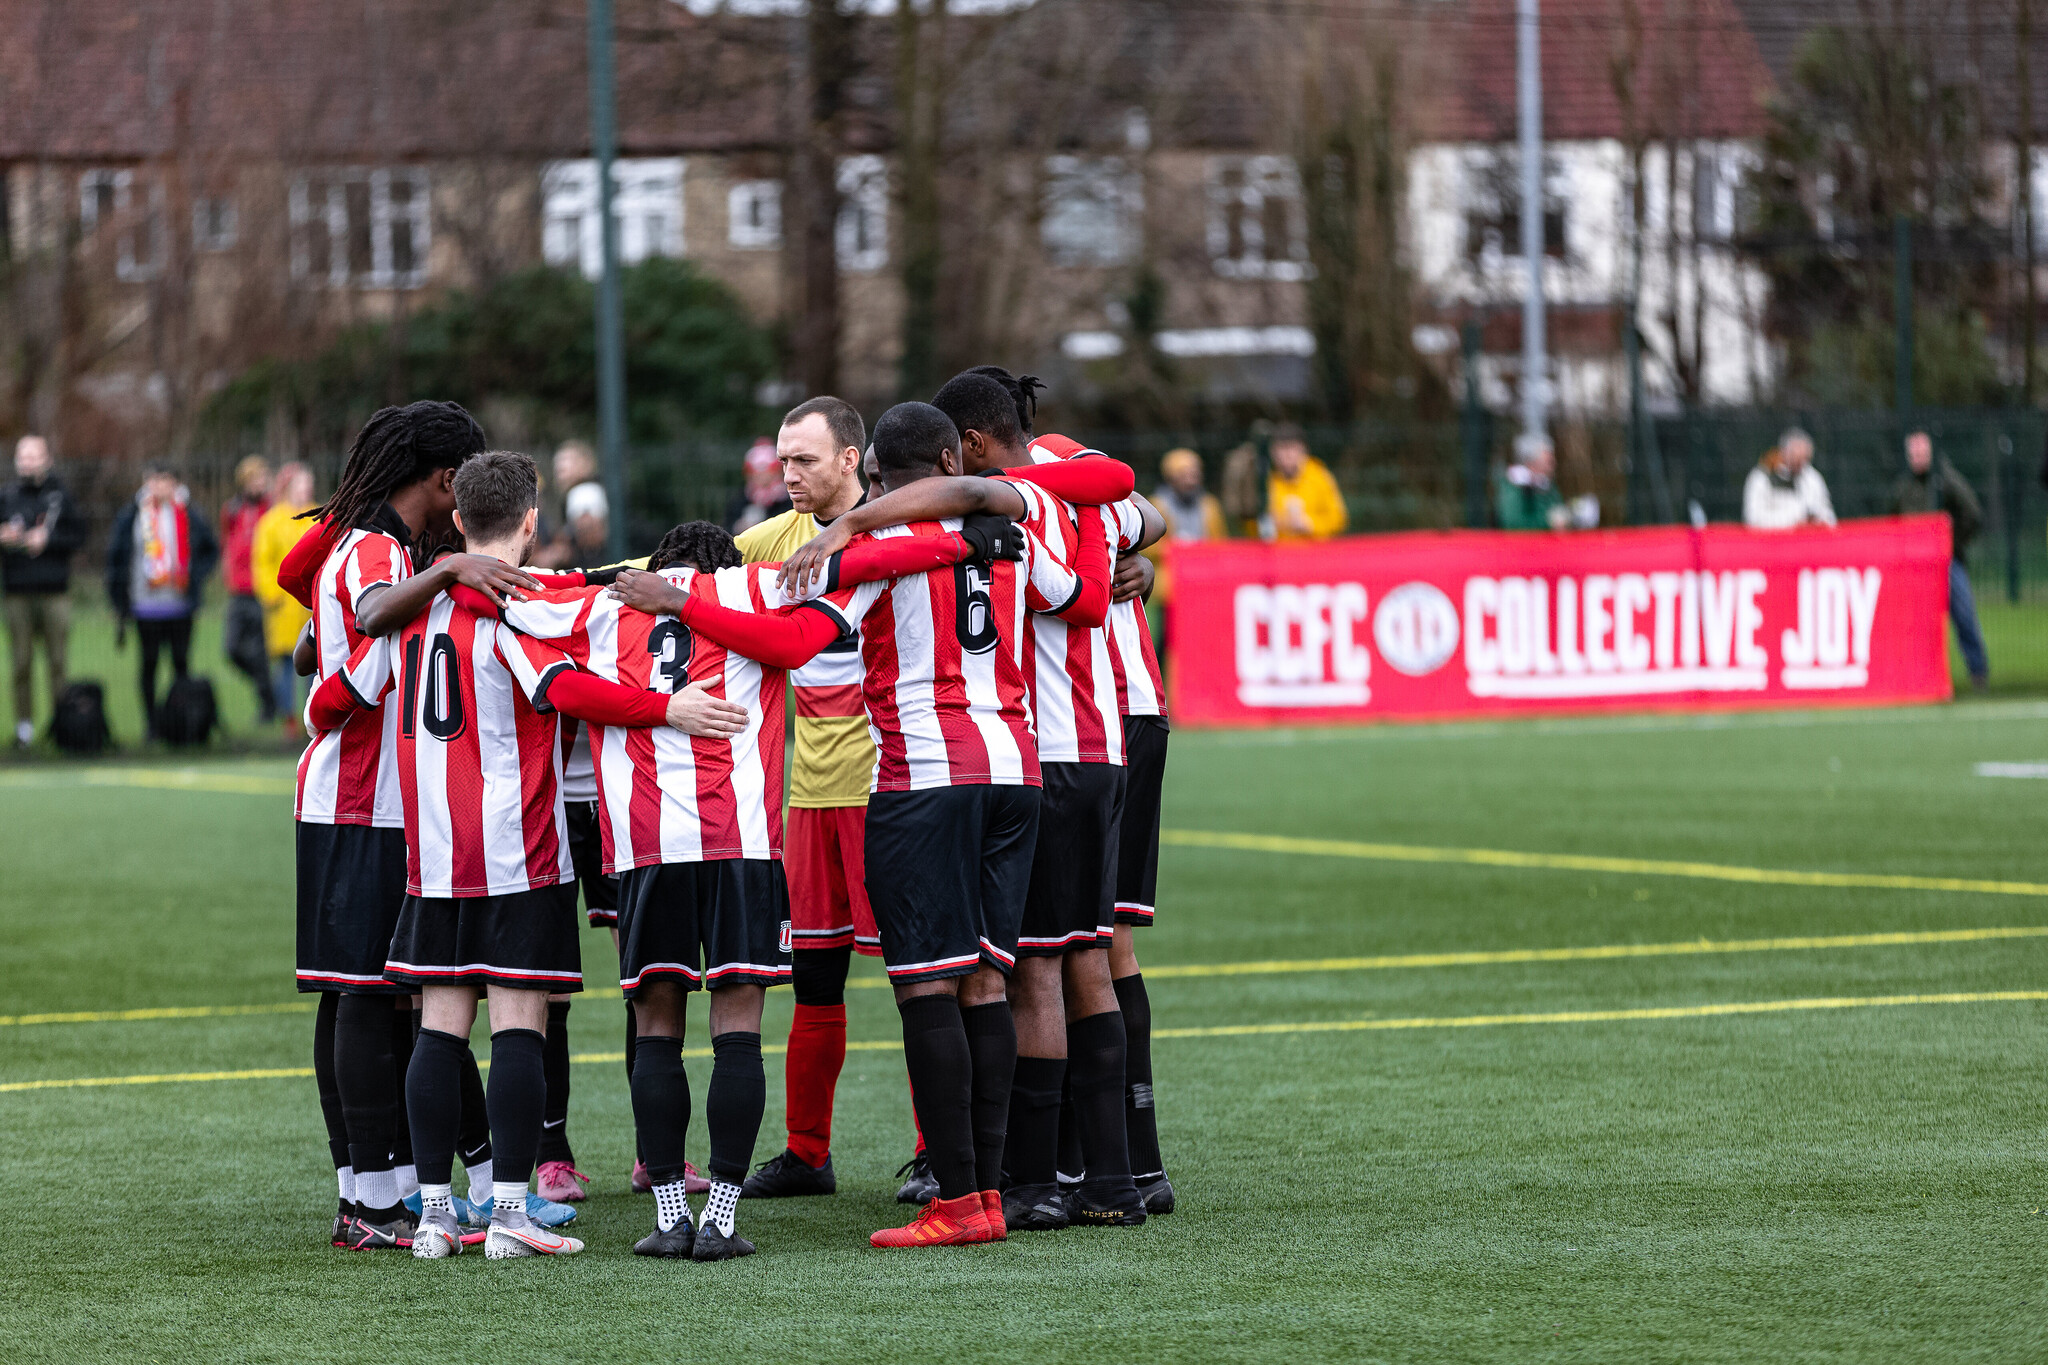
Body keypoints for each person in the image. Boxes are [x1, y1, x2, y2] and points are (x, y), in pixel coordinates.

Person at [464, 515, 993, 1259]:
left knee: (657, 1032)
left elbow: (517, 617)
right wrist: (962, 542)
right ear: (723, 561)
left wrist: (456, 569)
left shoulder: (605, 601)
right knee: (737, 1033)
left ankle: (671, 1215)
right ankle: (722, 1217)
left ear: (660, 560)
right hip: (743, 844)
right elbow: (873, 564)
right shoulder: (758, 587)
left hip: (647, 850)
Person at [308, 450, 731, 1260]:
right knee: (518, 1023)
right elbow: (565, 690)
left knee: (438, 1026)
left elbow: (332, 695)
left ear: (459, 520)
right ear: (533, 520)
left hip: (431, 850)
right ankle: (507, 1211)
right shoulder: (524, 607)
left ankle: (434, 1217)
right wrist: (666, 707)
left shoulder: (408, 613)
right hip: (517, 848)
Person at [771, 400, 1138, 1247]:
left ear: (877, 472)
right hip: (1017, 772)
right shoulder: (1012, 533)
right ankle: (992, 1190)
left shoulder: (872, 551)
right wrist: (1112, 550)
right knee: (986, 980)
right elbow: (1075, 596)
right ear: (950, 457)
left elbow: (795, 644)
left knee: (926, 985)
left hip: (924, 779)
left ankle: (959, 1199)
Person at [277, 401, 543, 1251]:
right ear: (441, 480)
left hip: (362, 795)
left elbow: (327, 640)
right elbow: (369, 618)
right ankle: (372, 1201)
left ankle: (376, 1187)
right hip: (364, 796)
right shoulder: (379, 548)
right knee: (363, 995)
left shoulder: (369, 543)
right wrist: (450, 572)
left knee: (366, 997)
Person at [726, 396, 897, 1202]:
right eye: (782, 459)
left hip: (887, 788)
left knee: (919, 976)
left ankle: (942, 1150)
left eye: (803, 459)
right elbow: (689, 567)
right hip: (806, 798)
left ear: (851, 458)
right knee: (814, 975)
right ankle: (806, 1153)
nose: (785, 473)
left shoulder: (898, 532)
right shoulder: (771, 541)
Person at [106, 467, 219, 738]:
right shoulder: (132, 515)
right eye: (154, 480)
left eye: (165, 480)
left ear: (175, 484)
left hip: (180, 605)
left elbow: (210, 549)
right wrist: (118, 598)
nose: (159, 486)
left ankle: (181, 722)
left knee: (181, 664)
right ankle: (151, 724)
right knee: (149, 664)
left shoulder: (189, 514)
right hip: (144, 606)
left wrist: (194, 577)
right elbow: (117, 557)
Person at [0, 434, 85, 749]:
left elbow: (79, 536)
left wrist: (48, 541)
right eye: (23, 456)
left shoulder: (61, 497)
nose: (28, 461)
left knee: (57, 662)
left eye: (34, 456)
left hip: (54, 592)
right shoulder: (7, 497)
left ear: (47, 459)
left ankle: (61, 725)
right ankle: (24, 729)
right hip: (17, 593)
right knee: (20, 662)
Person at [1891, 429, 1988, 689]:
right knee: (1916, 623)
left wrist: (1951, 544)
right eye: (1914, 453)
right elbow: (1894, 524)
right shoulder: (1904, 488)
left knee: (1964, 615)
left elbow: (1972, 514)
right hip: (1916, 566)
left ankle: (1978, 672)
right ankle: (1917, 675)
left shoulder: (1946, 481)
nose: (1918, 457)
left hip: (1947, 562)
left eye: (1922, 452)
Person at [252, 464, 316, 730]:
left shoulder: (318, 514)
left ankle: (313, 715)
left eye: (308, 484)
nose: (306, 489)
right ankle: (289, 718)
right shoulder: (272, 520)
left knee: (314, 663)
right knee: (286, 665)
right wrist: (271, 595)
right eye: (302, 484)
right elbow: (262, 562)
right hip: (284, 607)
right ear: (288, 487)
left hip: (312, 606)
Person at [219, 456, 275, 721]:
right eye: (255, 479)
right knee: (232, 649)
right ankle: (268, 690)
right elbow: (227, 542)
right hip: (238, 590)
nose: (259, 484)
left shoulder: (272, 509)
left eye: (262, 479)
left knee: (260, 650)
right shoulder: (231, 510)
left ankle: (267, 706)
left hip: (262, 589)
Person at [1265, 424, 1347, 542]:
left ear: (1303, 449)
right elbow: (1255, 526)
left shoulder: (1319, 476)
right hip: (1280, 553)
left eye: (1292, 448)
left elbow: (1338, 519)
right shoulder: (1267, 482)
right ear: (1273, 453)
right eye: (1282, 449)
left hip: (1315, 552)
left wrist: (1310, 524)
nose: (1287, 455)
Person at [1743, 427, 1835, 530]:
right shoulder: (1761, 477)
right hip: (1773, 542)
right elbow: (1753, 519)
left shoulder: (1812, 478)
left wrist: (1818, 520)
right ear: (1783, 453)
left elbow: (1829, 516)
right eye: (1795, 458)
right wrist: (1795, 519)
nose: (1800, 465)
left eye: (1804, 459)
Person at [1496, 433, 1567, 531]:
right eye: (1548, 460)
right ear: (1532, 462)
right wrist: (1549, 522)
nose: (1553, 463)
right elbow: (1513, 524)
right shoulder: (1514, 485)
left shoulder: (1548, 486)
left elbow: (1559, 511)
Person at [1154, 448, 1226, 544]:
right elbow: (1152, 546)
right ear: (1170, 478)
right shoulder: (1158, 506)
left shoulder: (1210, 505)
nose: (1190, 482)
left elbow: (1220, 542)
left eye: (1194, 476)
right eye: (1183, 476)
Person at [726, 438, 793, 535]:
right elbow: (727, 527)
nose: (759, 476)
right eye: (755, 471)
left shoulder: (789, 500)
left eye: (766, 471)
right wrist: (736, 528)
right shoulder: (741, 499)